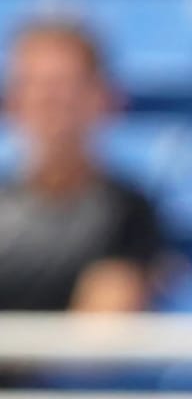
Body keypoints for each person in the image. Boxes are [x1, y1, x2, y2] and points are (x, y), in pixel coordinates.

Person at [0, 17, 168, 314]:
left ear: (102, 98)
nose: (51, 101)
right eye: (36, 86)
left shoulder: (128, 211)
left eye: (65, 86)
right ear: (13, 101)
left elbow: (102, 329)